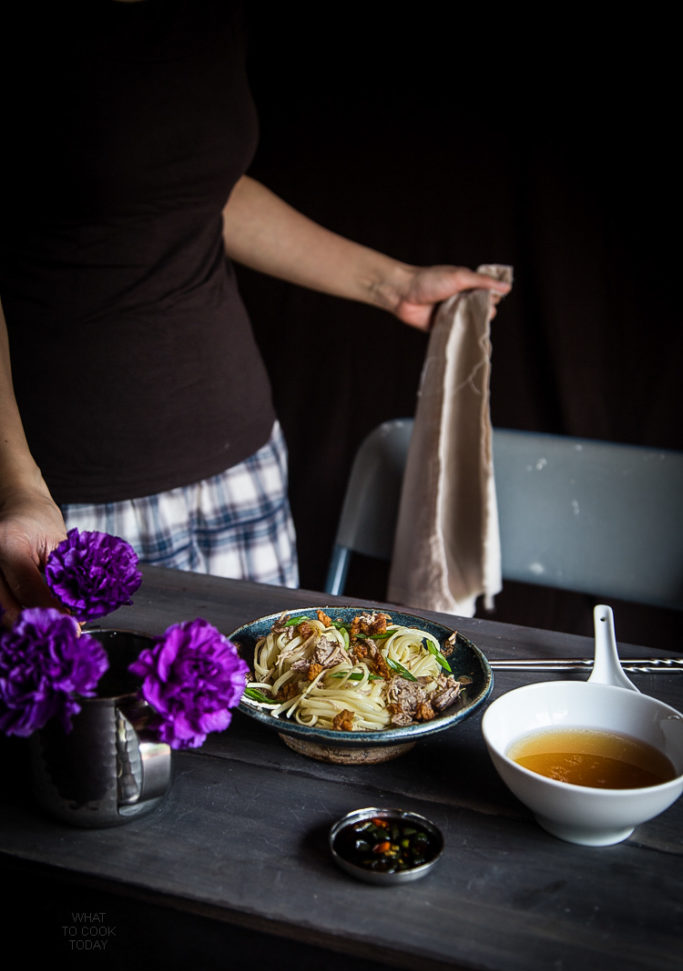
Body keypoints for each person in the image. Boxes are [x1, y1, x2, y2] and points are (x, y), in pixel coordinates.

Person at [0, 1, 509, 624]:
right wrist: (15, 487)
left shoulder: (215, 14)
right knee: (109, 725)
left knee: (269, 713)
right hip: (68, 496)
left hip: (242, 466)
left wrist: (392, 284)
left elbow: (197, 188)